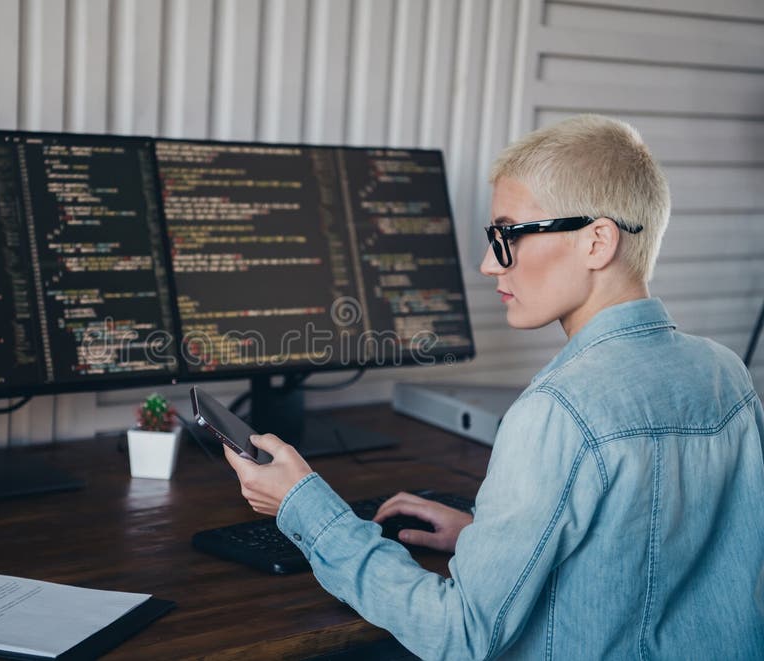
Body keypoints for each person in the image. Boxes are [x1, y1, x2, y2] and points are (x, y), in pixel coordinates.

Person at [224, 114, 764, 660]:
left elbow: (461, 636)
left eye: (507, 235)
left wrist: (304, 506)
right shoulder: (726, 373)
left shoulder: (557, 412)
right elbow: (652, 558)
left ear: (597, 242)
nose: (488, 263)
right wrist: (488, 538)